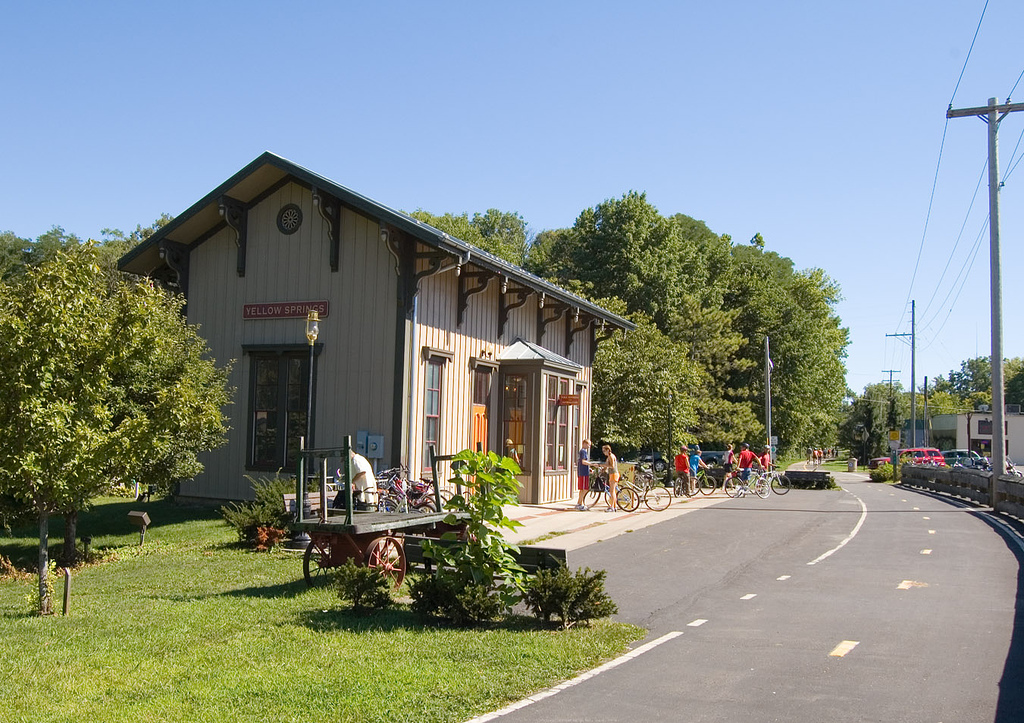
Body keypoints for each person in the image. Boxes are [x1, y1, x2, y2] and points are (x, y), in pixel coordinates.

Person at [600, 444, 620, 511]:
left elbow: (612, 466)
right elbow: (606, 466)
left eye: (604, 451)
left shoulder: (611, 456)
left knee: (612, 491)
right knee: (612, 491)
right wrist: (603, 468)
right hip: (611, 474)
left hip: (614, 474)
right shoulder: (608, 457)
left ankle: (613, 506)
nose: (603, 452)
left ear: (608, 450)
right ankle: (613, 505)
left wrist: (603, 465)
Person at [575, 439, 593, 510]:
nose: (589, 446)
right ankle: (580, 503)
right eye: (588, 444)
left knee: (582, 489)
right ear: (584, 443)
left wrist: (589, 468)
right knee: (584, 488)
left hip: (583, 471)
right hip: (583, 472)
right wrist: (592, 464)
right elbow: (583, 461)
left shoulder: (582, 451)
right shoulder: (583, 451)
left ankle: (580, 503)